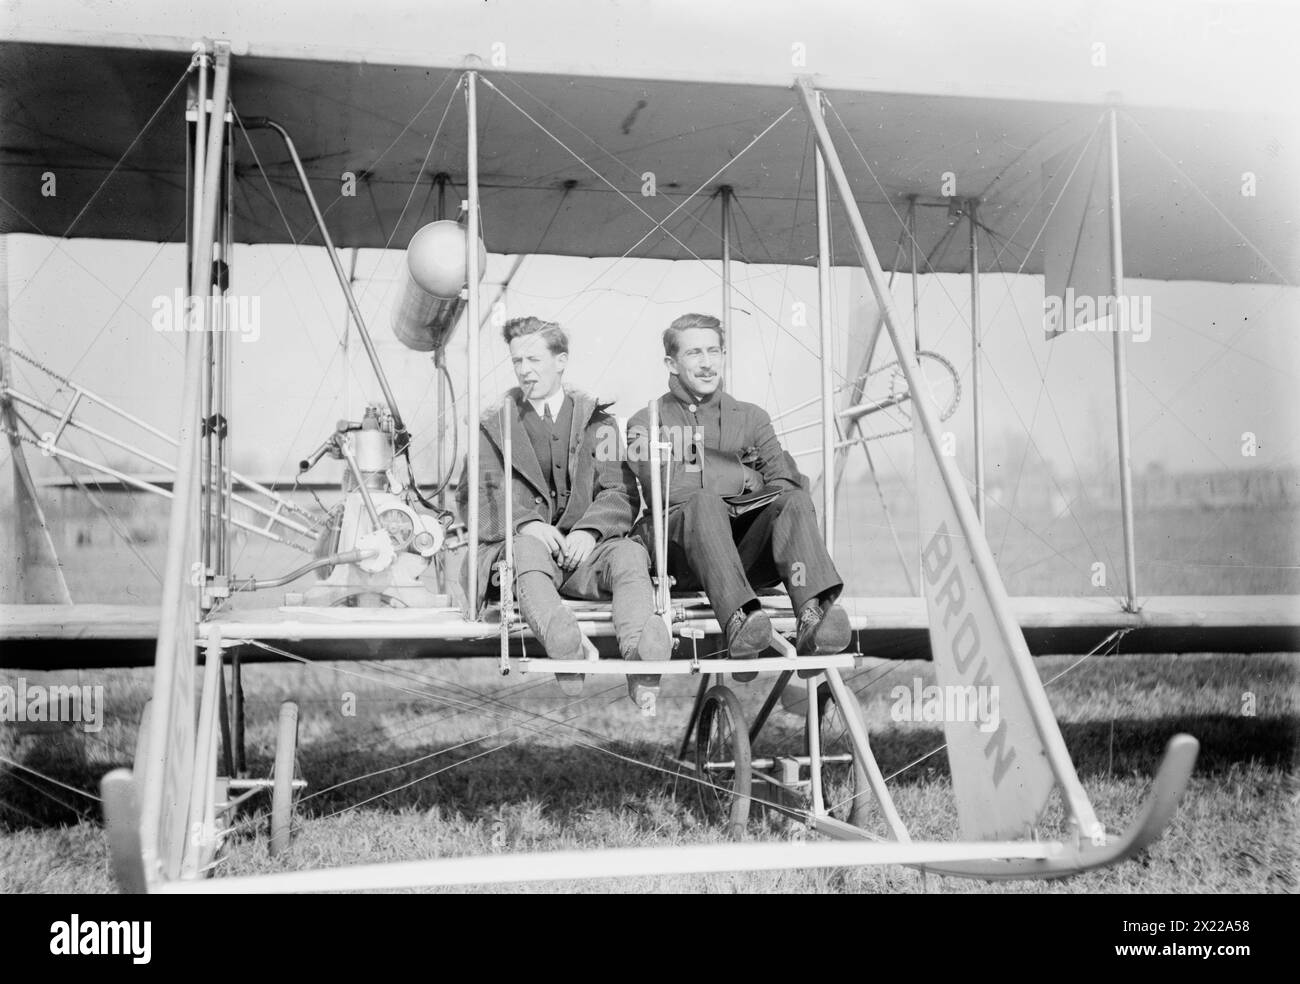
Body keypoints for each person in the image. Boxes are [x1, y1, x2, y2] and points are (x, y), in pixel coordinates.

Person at [459, 316, 670, 708]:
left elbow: (621, 491)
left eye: (534, 359)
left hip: (588, 555)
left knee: (630, 553)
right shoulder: (491, 426)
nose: (525, 370)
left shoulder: (601, 423)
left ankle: (641, 660)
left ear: (561, 361)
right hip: (525, 556)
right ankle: (565, 647)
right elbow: (477, 496)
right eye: (517, 360)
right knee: (524, 550)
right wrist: (526, 524)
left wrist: (589, 532)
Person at [626, 313, 850, 672]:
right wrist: (743, 472)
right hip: (681, 557)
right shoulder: (646, 421)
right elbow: (666, 488)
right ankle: (740, 621)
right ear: (671, 362)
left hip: (744, 555)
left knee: (792, 500)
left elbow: (783, 483)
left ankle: (812, 617)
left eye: (714, 351)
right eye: (694, 353)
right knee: (702, 502)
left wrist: (706, 470)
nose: (707, 363)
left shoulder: (752, 418)